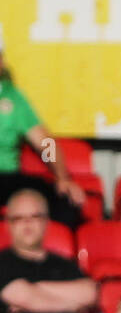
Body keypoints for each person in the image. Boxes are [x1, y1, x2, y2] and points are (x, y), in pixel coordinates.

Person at [0, 189, 96, 313]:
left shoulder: (65, 265)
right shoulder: (2, 263)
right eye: (19, 218)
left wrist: (33, 290)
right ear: (7, 224)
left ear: (46, 222)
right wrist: (72, 304)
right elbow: (20, 295)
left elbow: (89, 293)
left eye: (35, 216)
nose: (27, 223)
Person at [0, 45, 85, 228]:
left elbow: (45, 142)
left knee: (66, 201)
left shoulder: (13, 98)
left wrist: (62, 178)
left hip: (6, 177)